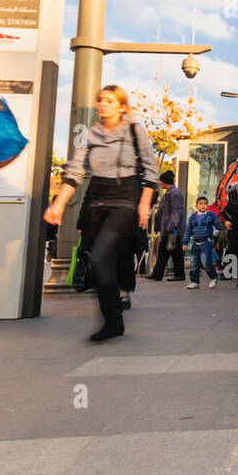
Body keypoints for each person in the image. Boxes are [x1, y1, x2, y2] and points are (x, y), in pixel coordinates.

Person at [45, 85, 156, 342]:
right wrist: (59, 204)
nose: (102, 104)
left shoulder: (133, 130)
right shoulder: (91, 134)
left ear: (122, 106)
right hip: (96, 199)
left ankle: (114, 318)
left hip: (125, 197)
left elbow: (151, 169)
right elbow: (74, 171)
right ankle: (113, 318)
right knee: (98, 260)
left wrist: (144, 204)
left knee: (101, 255)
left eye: (109, 100)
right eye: (100, 100)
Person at [150, 170, 186, 281]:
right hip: (168, 229)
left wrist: (171, 226)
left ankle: (179, 274)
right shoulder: (169, 193)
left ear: (164, 181)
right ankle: (157, 274)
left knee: (175, 253)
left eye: (160, 181)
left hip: (172, 230)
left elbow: (177, 211)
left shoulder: (174, 193)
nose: (159, 183)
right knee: (164, 252)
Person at [184, 196, 223, 289]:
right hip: (195, 243)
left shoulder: (211, 215)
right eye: (201, 203)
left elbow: (218, 226)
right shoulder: (192, 217)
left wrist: (219, 230)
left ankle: (213, 277)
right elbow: (188, 231)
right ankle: (194, 282)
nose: (203, 205)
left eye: (205, 203)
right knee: (194, 263)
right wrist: (185, 243)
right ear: (196, 206)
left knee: (206, 262)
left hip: (206, 242)